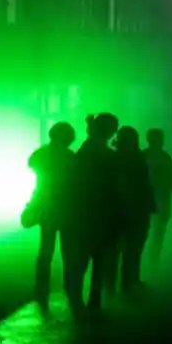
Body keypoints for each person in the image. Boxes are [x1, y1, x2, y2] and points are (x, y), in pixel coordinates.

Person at [65, 112, 122, 317]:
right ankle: (93, 297)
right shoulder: (105, 154)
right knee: (98, 258)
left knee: (83, 258)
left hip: (84, 212)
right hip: (100, 213)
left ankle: (77, 297)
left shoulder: (86, 150)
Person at [22, 122, 77, 314]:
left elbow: (31, 164)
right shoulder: (70, 156)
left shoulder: (41, 154)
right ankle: (71, 289)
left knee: (46, 251)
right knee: (69, 252)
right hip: (67, 209)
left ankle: (41, 290)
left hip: (47, 208)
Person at [112, 126, 156, 296]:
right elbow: (144, 184)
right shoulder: (137, 157)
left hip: (122, 208)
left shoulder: (116, 157)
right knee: (134, 247)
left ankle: (124, 282)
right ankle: (128, 282)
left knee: (125, 248)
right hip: (136, 208)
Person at [144, 128, 172, 275]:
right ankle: (151, 262)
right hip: (150, 201)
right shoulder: (156, 156)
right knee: (152, 233)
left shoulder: (149, 156)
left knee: (156, 233)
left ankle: (152, 261)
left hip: (157, 200)